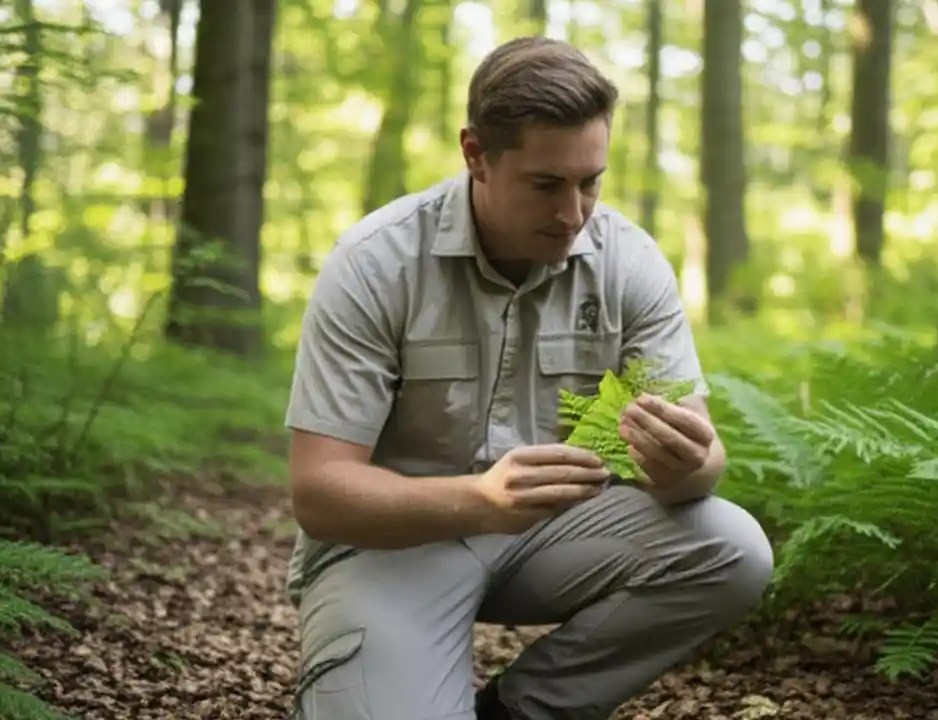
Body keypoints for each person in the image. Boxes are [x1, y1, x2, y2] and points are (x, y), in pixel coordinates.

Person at [282, 35, 774, 720]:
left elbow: (701, 465)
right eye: (547, 185)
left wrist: (688, 462)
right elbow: (320, 492)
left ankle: (522, 710)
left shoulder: (628, 263)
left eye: (590, 182)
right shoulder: (376, 263)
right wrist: (481, 500)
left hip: (554, 540)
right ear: (476, 155)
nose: (573, 213)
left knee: (733, 548)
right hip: (391, 545)